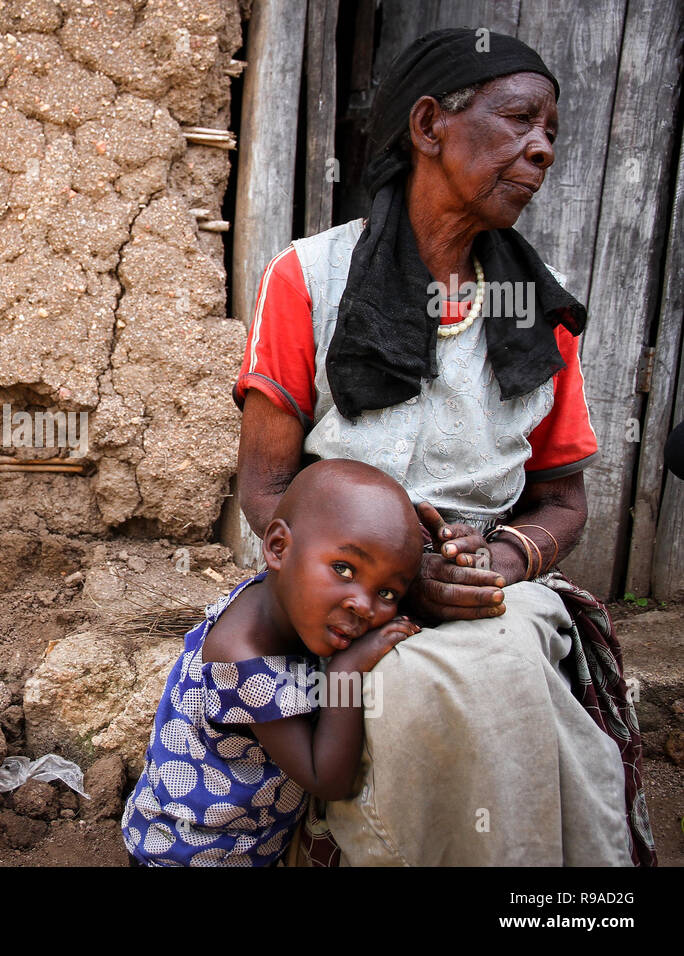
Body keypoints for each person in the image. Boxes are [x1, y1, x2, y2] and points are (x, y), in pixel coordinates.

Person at [233, 28, 652, 865]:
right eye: (519, 121)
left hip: (491, 584)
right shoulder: (310, 278)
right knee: (416, 685)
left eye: (552, 135)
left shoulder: (540, 311)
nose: (541, 152)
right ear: (429, 126)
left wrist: (501, 561)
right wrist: (386, 573)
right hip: (345, 581)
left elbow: (564, 501)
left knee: (504, 669)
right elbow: (266, 488)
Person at [121, 460, 424, 865]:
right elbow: (327, 779)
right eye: (344, 568)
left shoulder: (274, 596)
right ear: (278, 547)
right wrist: (346, 673)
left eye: (387, 592)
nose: (363, 605)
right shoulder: (245, 658)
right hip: (195, 854)